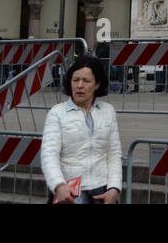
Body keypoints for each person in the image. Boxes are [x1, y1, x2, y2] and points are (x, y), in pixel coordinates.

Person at [40, 55, 121, 204]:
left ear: (97, 84)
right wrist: (58, 185)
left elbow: (114, 153)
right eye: (75, 80)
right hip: (70, 193)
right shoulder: (57, 113)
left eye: (86, 81)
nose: (79, 85)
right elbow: (49, 154)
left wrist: (114, 188)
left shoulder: (108, 111)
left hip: (103, 192)